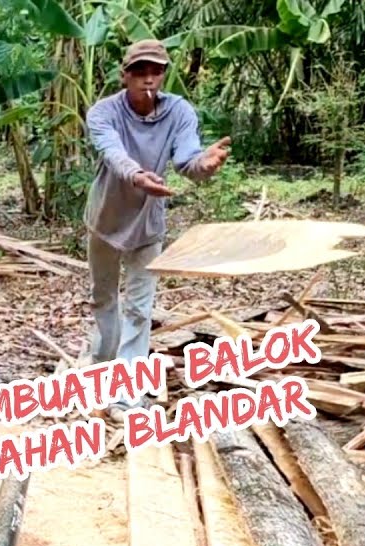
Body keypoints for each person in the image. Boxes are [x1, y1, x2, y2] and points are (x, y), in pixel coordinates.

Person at [84, 39, 230, 420]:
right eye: (139, 71)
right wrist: (136, 175)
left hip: (148, 223)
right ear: (125, 75)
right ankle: (101, 367)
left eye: (155, 71)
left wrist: (205, 165)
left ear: (164, 74)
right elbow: (111, 151)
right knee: (103, 299)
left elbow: (186, 159)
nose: (148, 79)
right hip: (105, 219)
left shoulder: (179, 110)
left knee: (139, 307)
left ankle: (126, 391)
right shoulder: (104, 112)